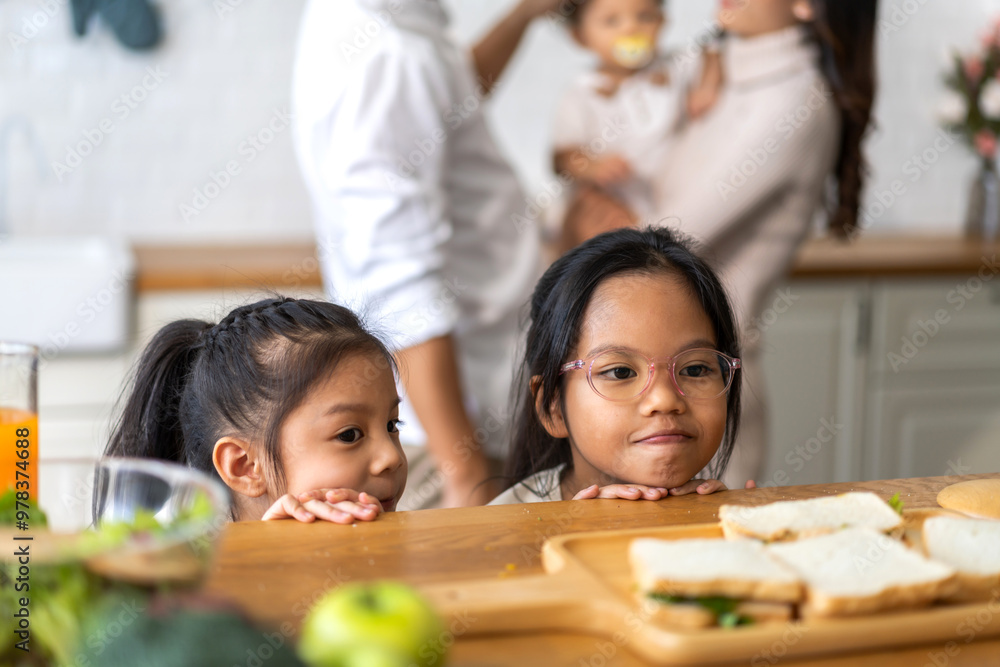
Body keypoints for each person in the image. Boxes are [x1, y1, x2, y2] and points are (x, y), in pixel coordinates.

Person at [563, 0, 877, 488]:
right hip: (635, 376)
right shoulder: (711, 69)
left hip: (699, 391)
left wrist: (581, 220)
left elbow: (659, 239)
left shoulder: (795, 101)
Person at [292, 0, 563, 509]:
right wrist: (463, 473)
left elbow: (448, 103)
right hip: (458, 434)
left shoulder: (394, 28)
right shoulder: (387, 53)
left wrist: (523, 16)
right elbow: (400, 282)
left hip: (469, 418)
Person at [491, 227, 754, 505]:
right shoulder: (502, 534)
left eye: (695, 369)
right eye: (621, 372)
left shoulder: (728, 518)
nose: (664, 400)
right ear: (554, 405)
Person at [106, 298, 407, 524]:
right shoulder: (178, 567)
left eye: (392, 425)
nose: (392, 457)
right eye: (350, 435)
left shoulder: (380, 530)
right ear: (245, 466)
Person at [551, 0, 722, 230]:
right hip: (617, 206)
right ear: (580, 36)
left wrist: (708, 83)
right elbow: (561, 158)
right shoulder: (582, 94)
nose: (630, 28)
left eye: (644, 17)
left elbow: (713, 48)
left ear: (662, 22)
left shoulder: (674, 67)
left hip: (674, 202)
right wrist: (590, 166)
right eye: (611, 21)